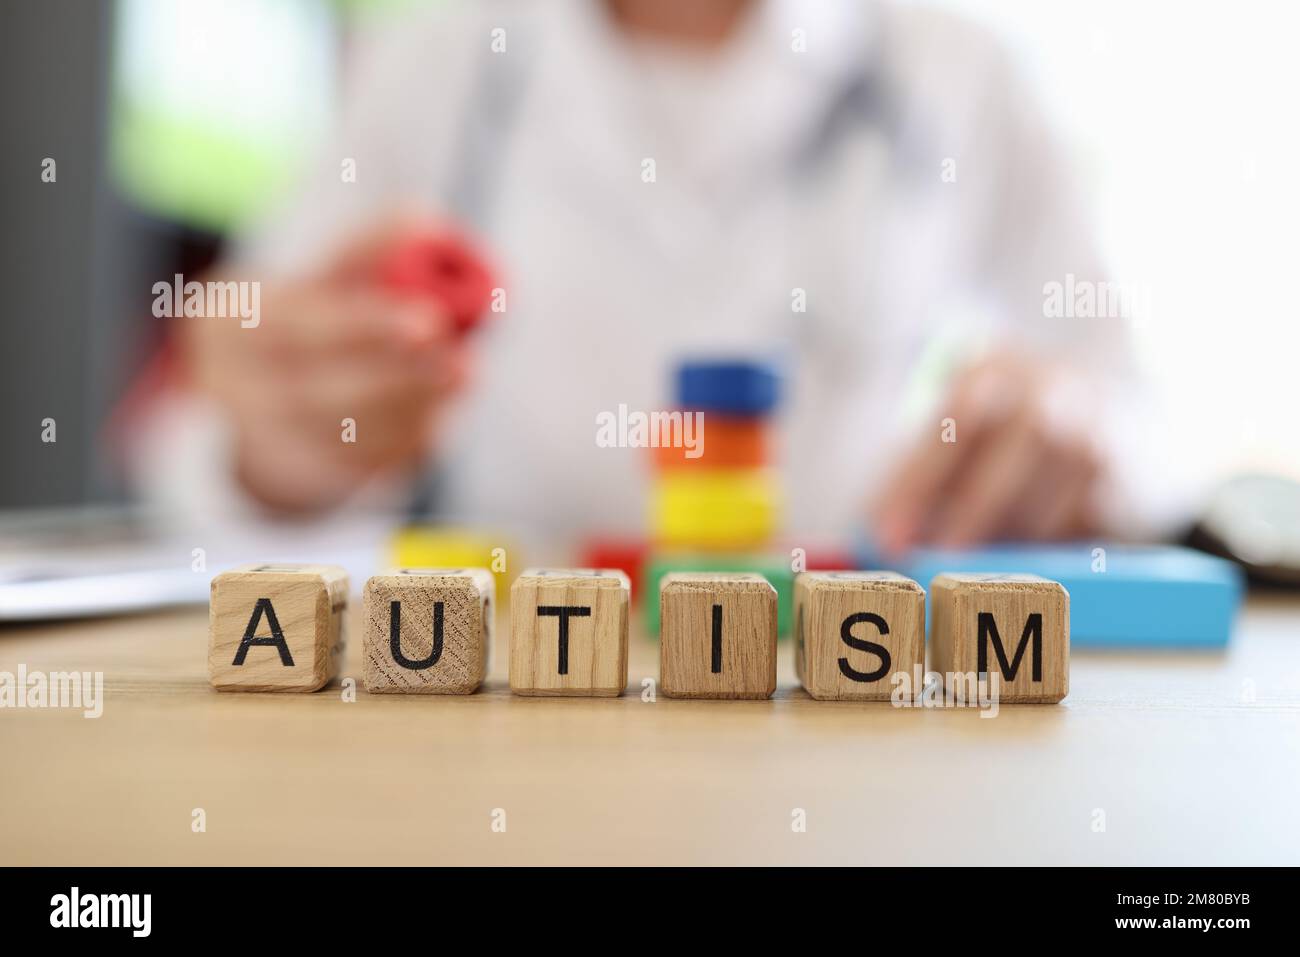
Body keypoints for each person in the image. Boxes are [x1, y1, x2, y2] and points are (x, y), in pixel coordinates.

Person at [129, 0, 1166, 553]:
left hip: (832, 693)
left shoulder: (963, 71)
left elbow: (1137, 411)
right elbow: (191, 452)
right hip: (506, 706)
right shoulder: (433, 66)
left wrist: (1079, 432)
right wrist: (290, 443)